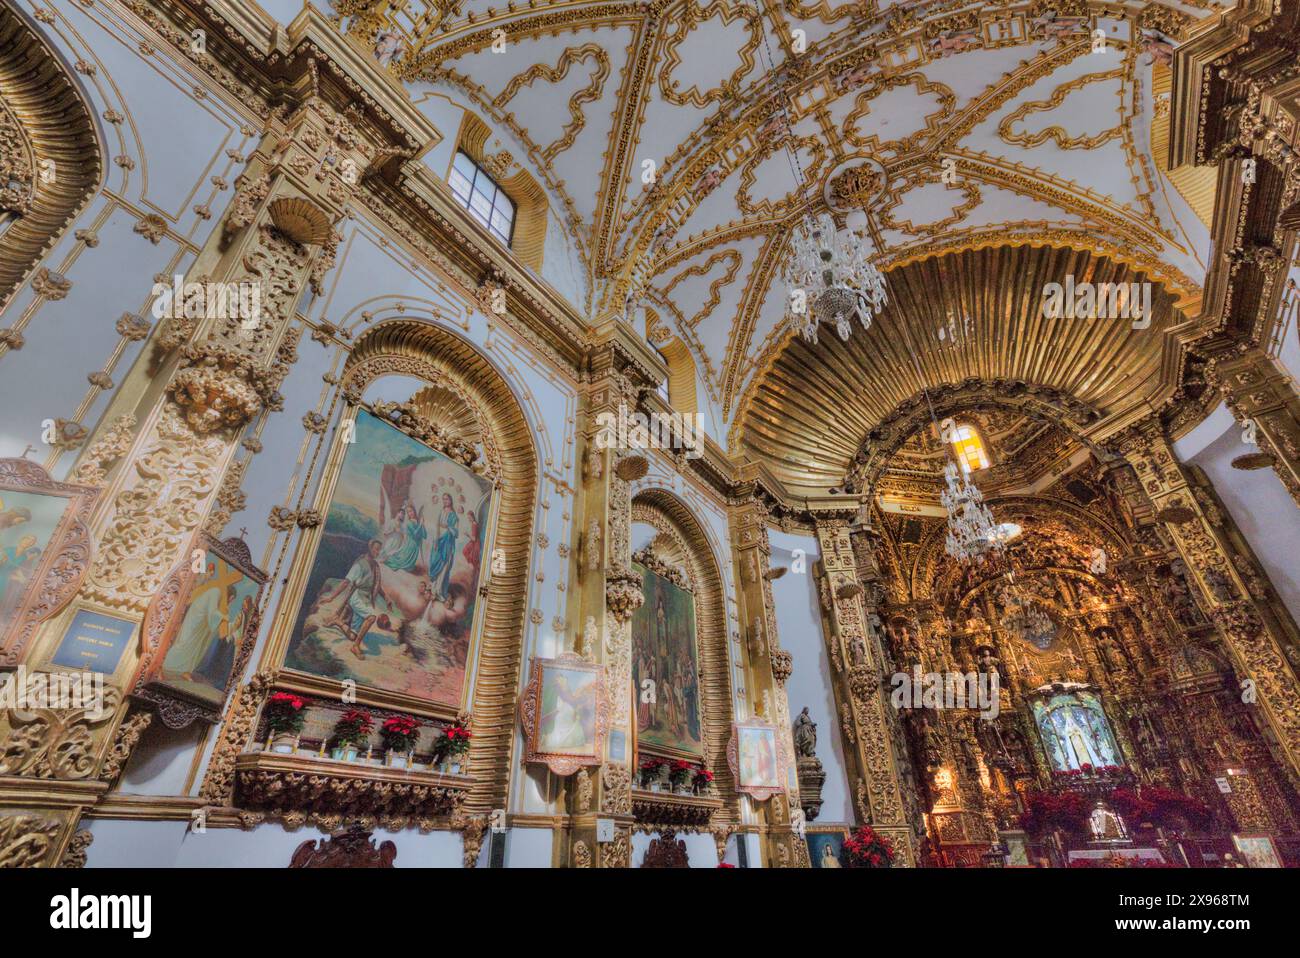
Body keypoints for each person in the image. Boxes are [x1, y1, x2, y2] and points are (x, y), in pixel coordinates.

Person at [318, 539, 391, 660]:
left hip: (366, 600)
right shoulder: (360, 564)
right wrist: (331, 597)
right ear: (370, 548)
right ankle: (355, 646)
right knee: (371, 617)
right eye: (376, 549)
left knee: (352, 635)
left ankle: (338, 622)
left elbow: (376, 585)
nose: (378, 552)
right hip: (356, 597)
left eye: (379, 550)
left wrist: (386, 597)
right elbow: (346, 582)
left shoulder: (375, 566)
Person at [426, 492, 460, 600]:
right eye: (443, 499)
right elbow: (437, 526)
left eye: (447, 499)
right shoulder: (441, 512)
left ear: (451, 501)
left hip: (448, 543)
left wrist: (448, 527)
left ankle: (439, 591)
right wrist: (436, 540)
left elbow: (456, 533)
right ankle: (433, 588)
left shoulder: (454, 515)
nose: (445, 501)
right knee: (435, 562)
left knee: (444, 566)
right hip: (439, 540)